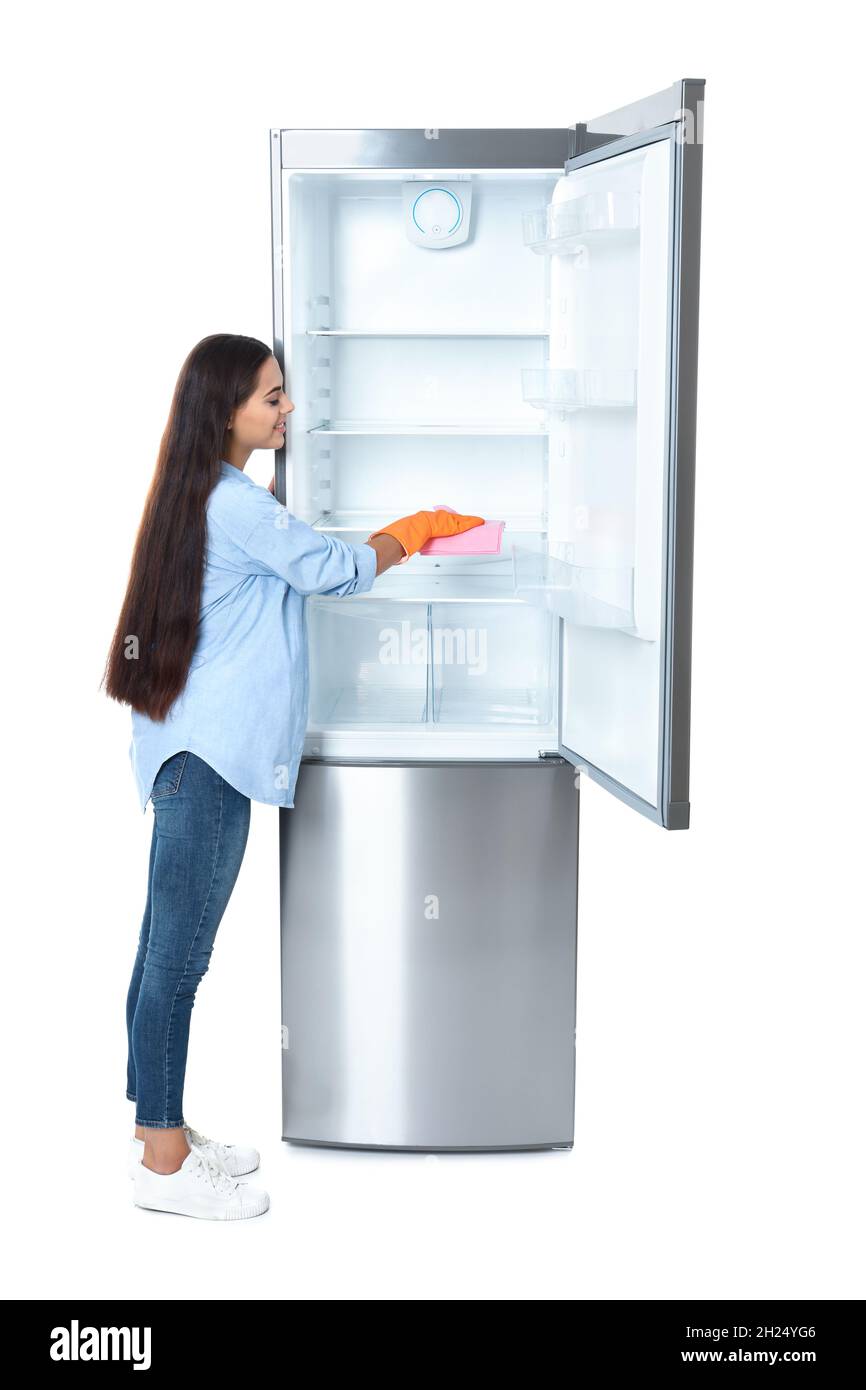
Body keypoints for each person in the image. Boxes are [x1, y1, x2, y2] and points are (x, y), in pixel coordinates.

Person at [100, 332, 483, 1220]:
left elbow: (277, 557)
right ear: (226, 408)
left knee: (161, 951)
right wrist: (415, 529)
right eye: (271, 398)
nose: (287, 410)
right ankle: (162, 1165)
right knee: (178, 958)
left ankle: (159, 1128)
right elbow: (335, 571)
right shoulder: (235, 505)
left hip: (188, 749)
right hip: (212, 759)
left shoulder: (213, 493)